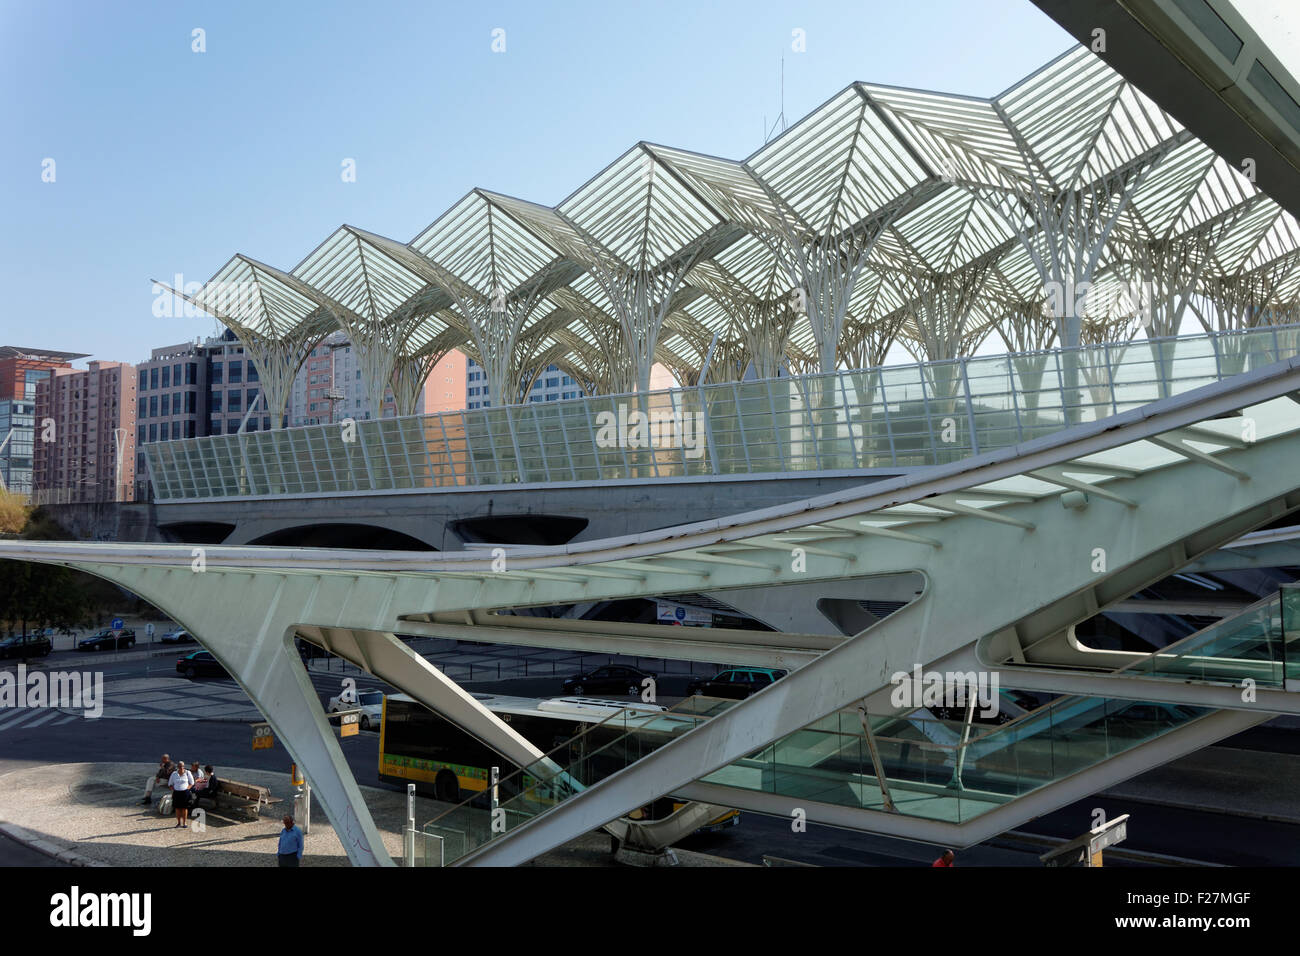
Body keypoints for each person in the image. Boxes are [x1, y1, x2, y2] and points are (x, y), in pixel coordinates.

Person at [169, 760, 195, 828]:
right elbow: (170, 784)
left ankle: (184, 822)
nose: (181, 768)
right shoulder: (174, 774)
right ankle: (178, 822)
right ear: (177, 767)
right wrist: (173, 790)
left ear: (184, 766)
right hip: (177, 792)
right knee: (177, 808)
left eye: (182, 766)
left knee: (184, 808)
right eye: (180, 766)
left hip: (185, 792)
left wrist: (187, 789)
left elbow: (192, 783)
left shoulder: (187, 773)